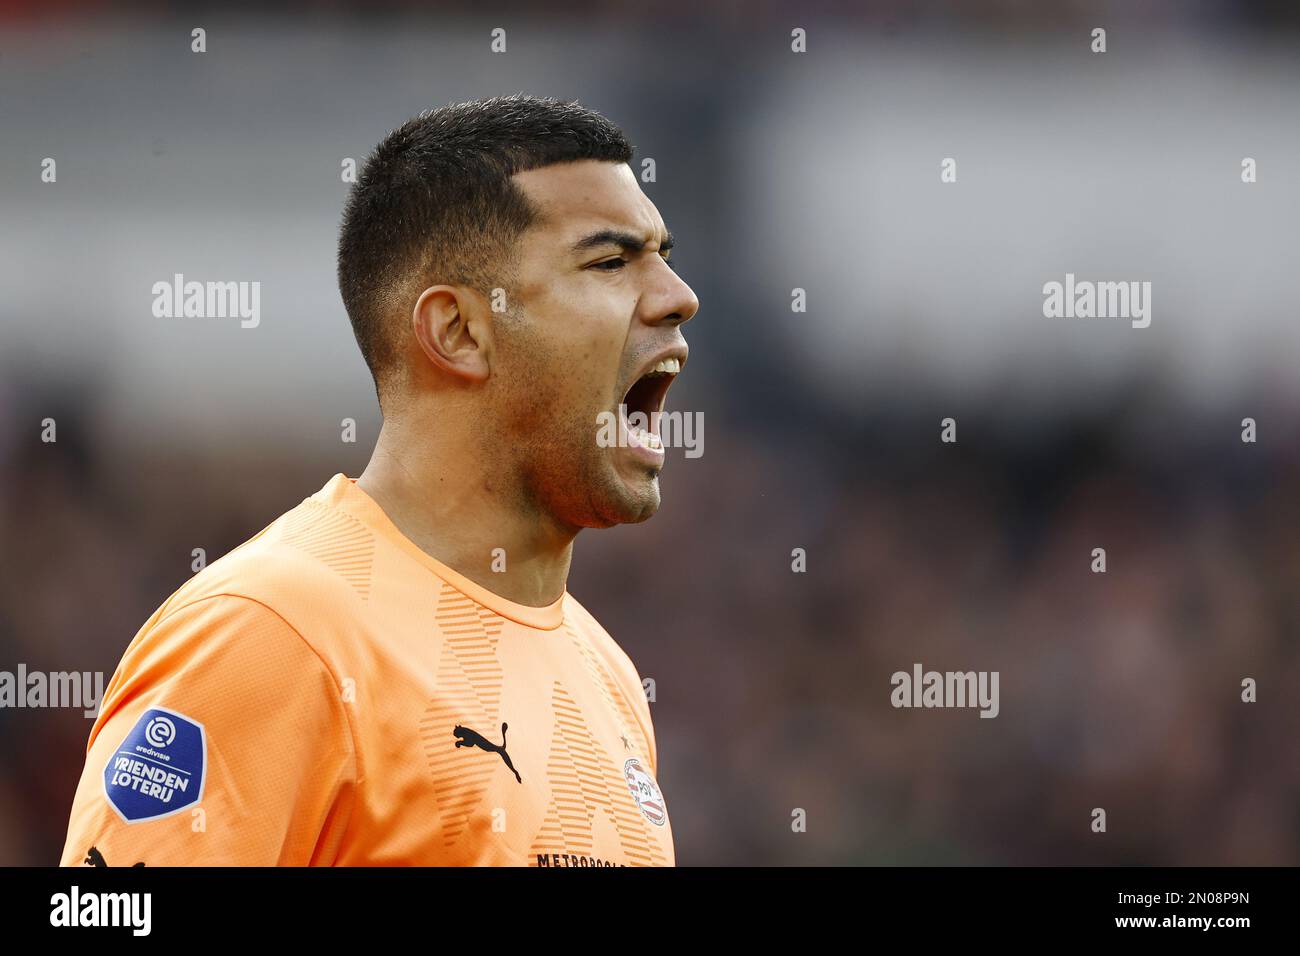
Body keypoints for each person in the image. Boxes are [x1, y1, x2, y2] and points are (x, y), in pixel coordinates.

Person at [60, 93, 699, 866]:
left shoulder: (608, 679)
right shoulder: (272, 636)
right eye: (609, 262)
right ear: (460, 331)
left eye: (663, 256)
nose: (676, 297)